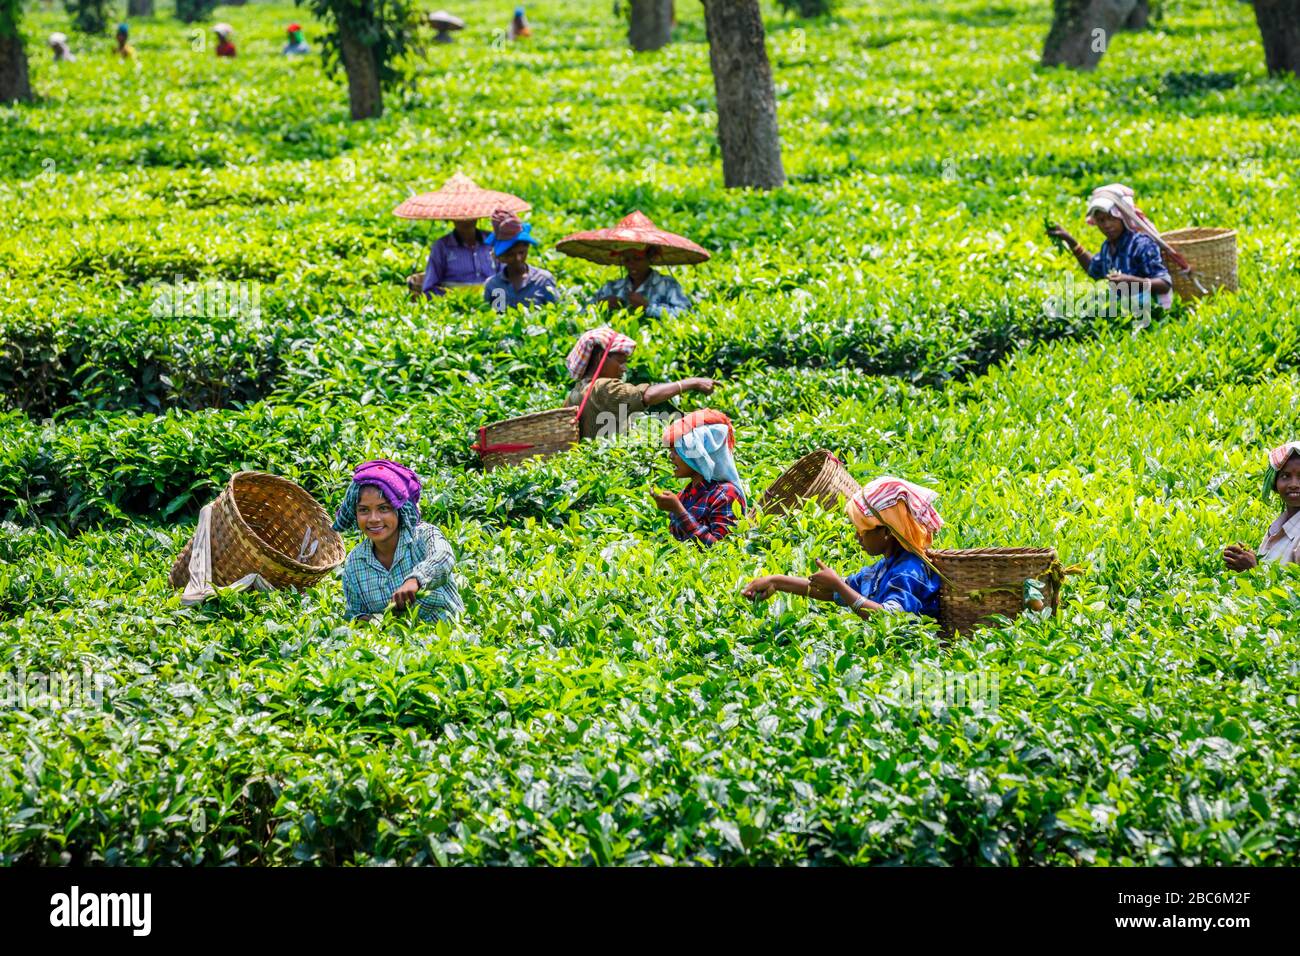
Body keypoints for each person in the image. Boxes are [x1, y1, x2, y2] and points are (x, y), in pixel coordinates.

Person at [743, 476, 944, 619]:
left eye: (863, 530)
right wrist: (776, 582)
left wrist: (838, 585)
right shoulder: (886, 566)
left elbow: (889, 618)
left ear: (886, 532)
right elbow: (836, 592)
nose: (858, 537)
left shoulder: (909, 570)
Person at [333, 459, 464, 623]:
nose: (374, 519)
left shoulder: (423, 536)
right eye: (364, 510)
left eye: (384, 508)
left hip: (448, 636)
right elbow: (355, 612)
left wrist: (416, 580)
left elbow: (444, 557)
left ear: (399, 510)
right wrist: (371, 620)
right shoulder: (354, 563)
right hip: (394, 645)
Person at [564, 326, 715, 440]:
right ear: (600, 357)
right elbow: (646, 396)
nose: (624, 369)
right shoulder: (602, 387)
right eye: (620, 361)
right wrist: (692, 383)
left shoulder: (575, 392)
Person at [1047, 184, 1178, 312]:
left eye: (1111, 218)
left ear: (1123, 218)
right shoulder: (1108, 247)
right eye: (1101, 220)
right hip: (1125, 312)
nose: (1107, 225)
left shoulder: (1141, 244)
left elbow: (1164, 284)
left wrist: (1133, 282)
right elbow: (1093, 269)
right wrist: (1069, 239)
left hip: (1152, 312)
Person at [556, 211, 708, 320]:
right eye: (627, 259)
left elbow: (685, 316)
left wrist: (648, 307)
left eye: (637, 259)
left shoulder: (668, 285)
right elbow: (582, 315)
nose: (631, 264)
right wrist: (601, 305)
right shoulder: (612, 287)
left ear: (651, 258)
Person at [652, 410, 746, 547]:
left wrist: (679, 511)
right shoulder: (685, 494)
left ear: (699, 454)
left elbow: (722, 549)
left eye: (677, 450)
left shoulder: (726, 494)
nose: (671, 457)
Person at [1224, 441, 1300, 571]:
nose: (1294, 484)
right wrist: (1250, 559)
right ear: (1274, 483)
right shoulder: (1279, 526)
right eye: (1285, 476)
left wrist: (1253, 569)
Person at [482, 210, 559, 312]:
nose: (518, 258)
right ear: (502, 256)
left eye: (521, 253)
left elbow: (557, 311)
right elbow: (491, 316)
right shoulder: (493, 285)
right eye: (511, 255)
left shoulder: (543, 280)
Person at [420, 218, 497, 296]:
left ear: (476, 218)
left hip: (492, 299)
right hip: (455, 301)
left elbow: (504, 277)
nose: (465, 220)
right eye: (460, 218)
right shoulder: (442, 246)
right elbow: (429, 288)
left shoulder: (492, 240)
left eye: (469, 217)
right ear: (452, 219)